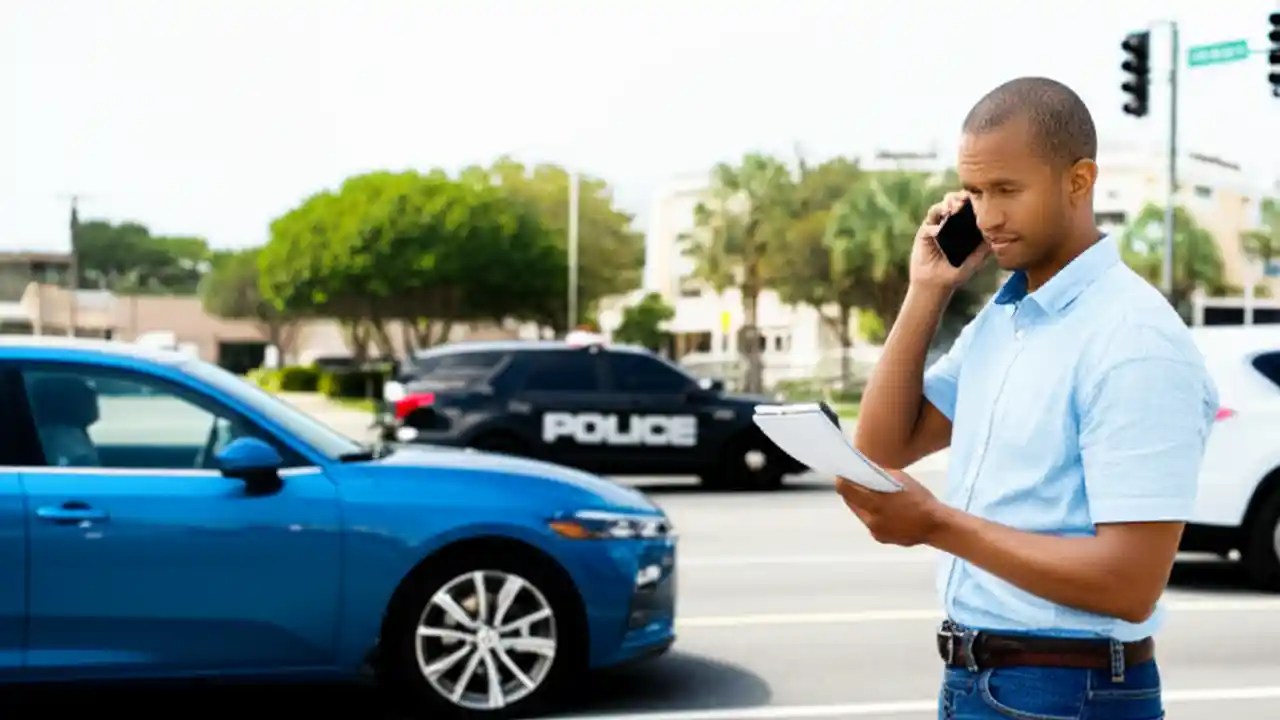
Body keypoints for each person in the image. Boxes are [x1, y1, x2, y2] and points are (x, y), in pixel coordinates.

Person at [839, 76, 1217, 719]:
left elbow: (1130, 583)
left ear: (1079, 181)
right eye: (976, 192)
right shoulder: (1005, 318)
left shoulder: (1134, 340)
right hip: (979, 681)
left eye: (1008, 190)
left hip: (1067, 693)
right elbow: (884, 445)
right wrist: (927, 289)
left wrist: (937, 524)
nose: (987, 217)